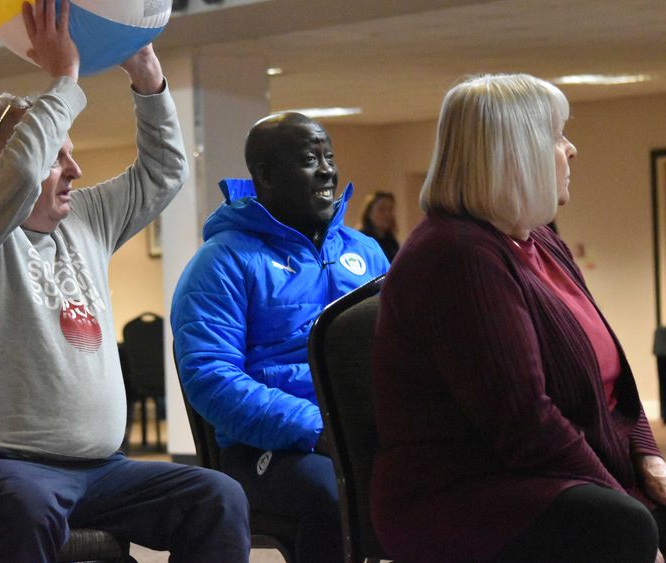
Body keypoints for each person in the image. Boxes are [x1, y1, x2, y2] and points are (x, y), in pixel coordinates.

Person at [0, 1, 250, 561]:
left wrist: (145, 71)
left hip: (99, 471)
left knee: (216, 496)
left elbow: (164, 172)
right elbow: (22, 172)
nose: (73, 170)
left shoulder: (87, 222)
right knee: (23, 502)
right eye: (58, 156)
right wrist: (63, 76)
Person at [371, 73, 666, 563]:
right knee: (626, 524)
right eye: (556, 136)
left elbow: (612, 383)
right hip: (465, 492)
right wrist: (623, 492)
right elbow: (525, 423)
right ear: (516, 151)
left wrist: (648, 457)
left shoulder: (539, 239)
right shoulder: (456, 255)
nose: (571, 150)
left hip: (555, 471)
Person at [171, 111, 389, 562]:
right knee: (333, 497)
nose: (328, 169)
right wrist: (314, 427)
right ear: (266, 176)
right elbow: (211, 378)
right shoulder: (222, 261)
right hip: (264, 448)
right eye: (311, 158)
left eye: (329, 156)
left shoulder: (365, 251)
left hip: (363, 435)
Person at [358, 191, 399, 262]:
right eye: (381, 209)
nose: (387, 214)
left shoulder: (392, 243)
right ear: (369, 213)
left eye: (390, 209)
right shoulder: (360, 241)